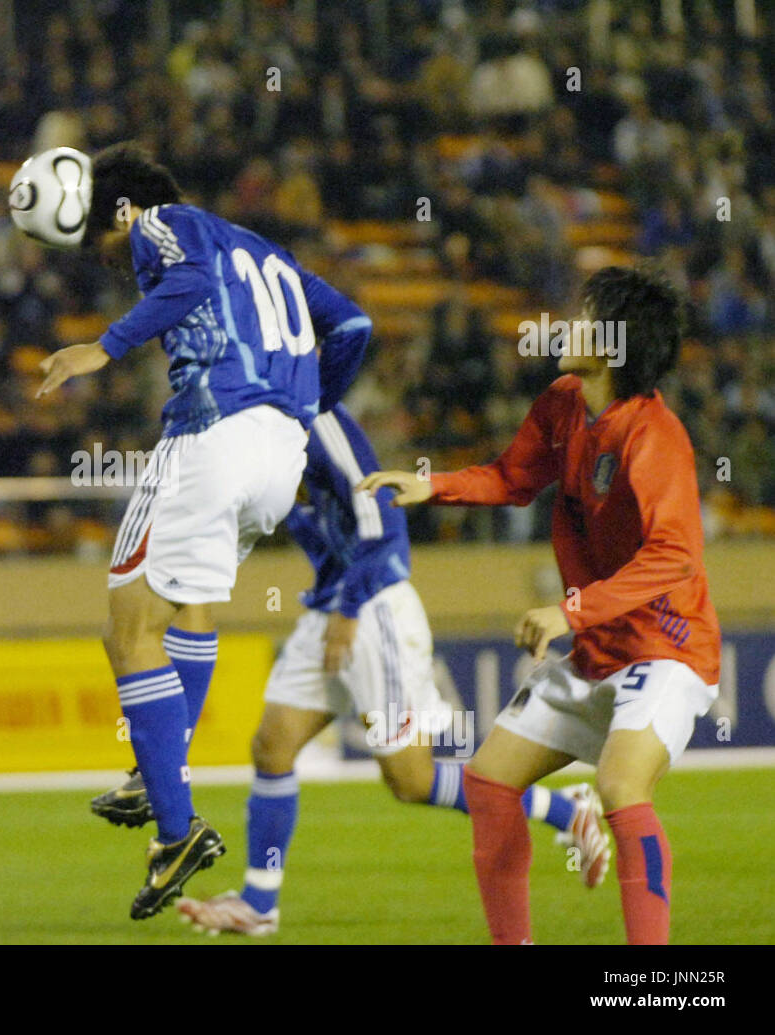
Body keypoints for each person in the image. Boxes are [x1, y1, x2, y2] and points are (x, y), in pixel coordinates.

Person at [108, 399, 609, 936]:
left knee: (410, 781)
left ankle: (566, 810)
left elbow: (384, 521)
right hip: (329, 605)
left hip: (372, 609)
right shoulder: (261, 425)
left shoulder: (319, 418)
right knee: (272, 745)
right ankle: (259, 902)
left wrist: (347, 610)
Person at [36, 142, 369, 919]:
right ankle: (159, 779)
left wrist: (103, 346)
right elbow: (354, 323)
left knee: (130, 624)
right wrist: (309, 408)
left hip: (212, 429)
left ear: (119, 211)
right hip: (278, 459)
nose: (110, 257)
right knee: (187, 607)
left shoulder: (158, 220)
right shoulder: (272, 255)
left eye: (100, 238)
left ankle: (177, 829)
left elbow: (183, 281)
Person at [359, 266, 720, 945]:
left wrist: (570, 610)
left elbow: (675, 555)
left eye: (583, 315)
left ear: (613, 344)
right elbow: (513, 476)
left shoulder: (654, 436)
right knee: (489, 780)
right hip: (597, 649)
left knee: (619, 786)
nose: (565, 323)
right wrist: (431, 485)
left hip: (665, 647)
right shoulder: (563, 401)